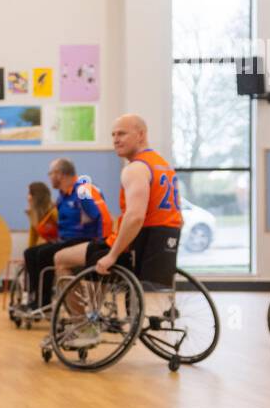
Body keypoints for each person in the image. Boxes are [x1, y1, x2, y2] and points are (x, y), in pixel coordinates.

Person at [52, 115, 182, 347]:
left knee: (61, 258)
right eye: (113, 135)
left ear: (141, 134)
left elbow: (135, 217)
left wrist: (112, 255)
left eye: (121, 133)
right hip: (159, 250)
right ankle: (94, 315)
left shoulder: (135, 169)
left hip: (130, 248)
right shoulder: (163, 166)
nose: (115, 140)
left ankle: (84, 325)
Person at [21, 159, 113, 311]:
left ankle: (43, 302)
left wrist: (101, 244)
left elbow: (99, 216)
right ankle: (35, 297)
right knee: (30, 253)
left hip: (83, 240)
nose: (50, 177)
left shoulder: (82, 191)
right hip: (66, 240)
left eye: (51, 173)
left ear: (59, 174)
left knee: (43, 254)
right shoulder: (62, 196)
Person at [26, 181, 58, 248]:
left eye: (30, 194)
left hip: (60, 244)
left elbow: (65, 229)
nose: (28, 197)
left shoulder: (54, 212)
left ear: (37, 197)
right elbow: (33, 237)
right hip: (49, 245)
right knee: (29, 253)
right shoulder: (33, 215)